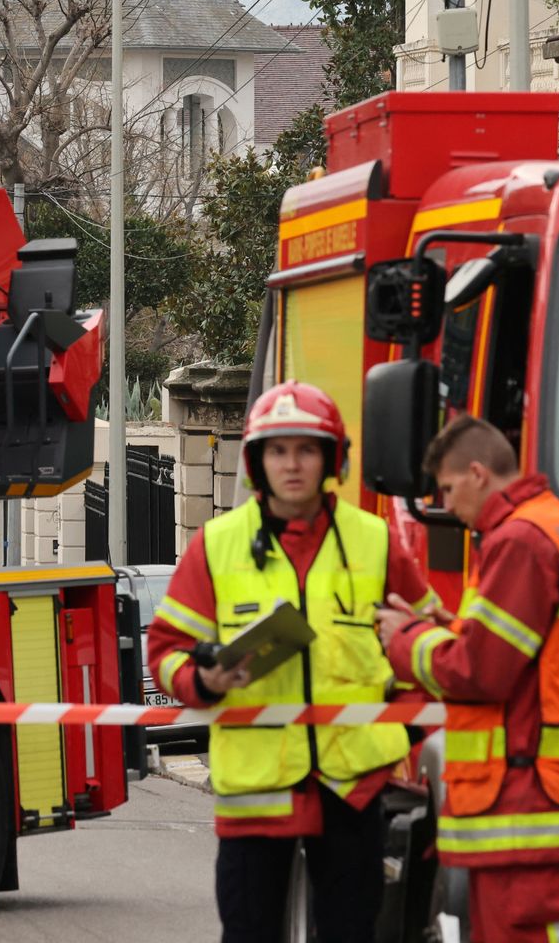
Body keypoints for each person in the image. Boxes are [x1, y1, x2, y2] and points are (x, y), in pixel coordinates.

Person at [145, 380, 440, 943]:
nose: (293, 464)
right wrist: (201, 679)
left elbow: (430, 649)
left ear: (331, 458)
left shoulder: (376, 542)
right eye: (278, 450)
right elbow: (164, 653)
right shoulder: (216, 544)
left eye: (306, 449)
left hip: (351, 791)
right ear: (257, 460)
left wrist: (401, 735)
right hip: (256, 794)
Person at [377, 417, 559, 943]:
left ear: (478, 473)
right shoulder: (548, 526)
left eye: (449, 489)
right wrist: (446, 629)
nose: (448, 506)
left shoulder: (519, 540)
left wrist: (405, 641)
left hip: (522, 804)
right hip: (535, 803)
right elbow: (515, 655)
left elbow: (482, 672)